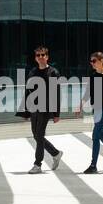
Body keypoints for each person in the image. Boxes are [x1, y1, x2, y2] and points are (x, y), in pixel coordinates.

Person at [23, 46, 62, 174]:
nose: (40, 57)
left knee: (39, 135)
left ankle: (37, 164)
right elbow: (28, 92)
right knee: (36, 135)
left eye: (43, 55)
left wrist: (56, 114)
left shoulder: (53, 72)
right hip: (34, 108)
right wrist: (26, 111)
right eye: (38, 55)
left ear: (47, 57)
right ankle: (55, 153)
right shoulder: (32, 72)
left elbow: (56, 94)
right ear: (35, 58)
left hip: (46, 109)